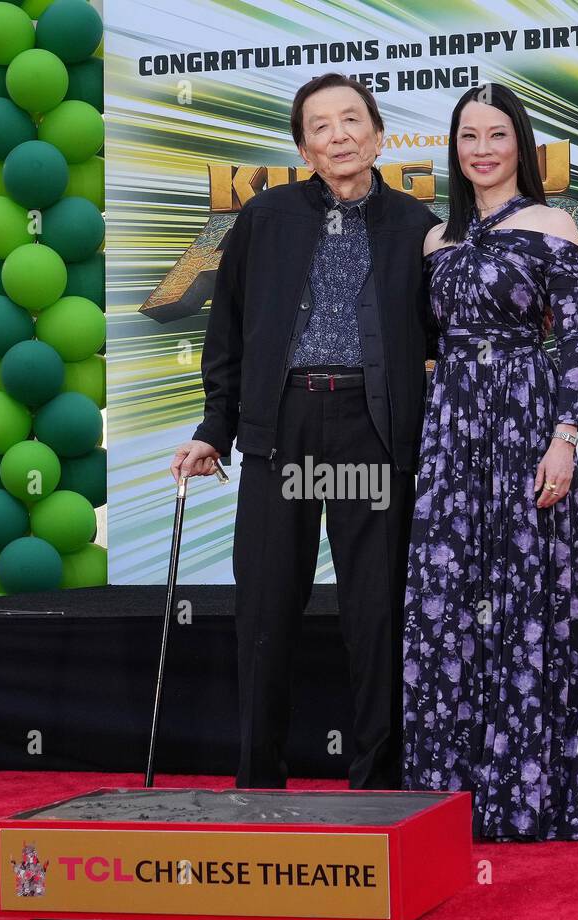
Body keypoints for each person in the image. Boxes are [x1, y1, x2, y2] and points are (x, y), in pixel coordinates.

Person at [171, 73, 439, 790]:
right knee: (265, 604)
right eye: (319, 126)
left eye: (353, 120)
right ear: (302, 146)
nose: (339, 135)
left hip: (373, 428)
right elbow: (226, 332)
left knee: (376, 611)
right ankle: (258, 779)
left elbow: (446, 338)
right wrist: (213, 429)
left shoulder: (419, 227)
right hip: (282, 426)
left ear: (380, 135)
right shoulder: (267, 217)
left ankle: (378, 783)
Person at [402, 83, 578, 840]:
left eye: (495, 134)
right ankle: (450, 792)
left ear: (520, 143)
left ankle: (526, 789)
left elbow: (576, 345)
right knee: (446, 594)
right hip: (451, 426)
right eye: (467, 137)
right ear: (453, 150)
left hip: (525, 417)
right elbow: (424, 343)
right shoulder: (435, 240)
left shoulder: (555, 224)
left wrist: (565, 437)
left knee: (522, 589)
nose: (481, 149)